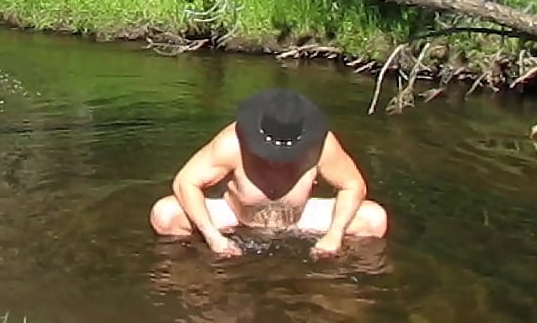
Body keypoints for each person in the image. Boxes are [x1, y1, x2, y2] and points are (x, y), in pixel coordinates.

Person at [148, 87, 389, 258]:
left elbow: (353, 185)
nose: (276, 162)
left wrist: (334, 235)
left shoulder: (321, 145)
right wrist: (214, 238)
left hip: (298, 220)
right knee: (165, 214)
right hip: (236, 219)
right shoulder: (233, 141)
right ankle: (193, 260)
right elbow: (185, 182)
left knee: (374, 219)